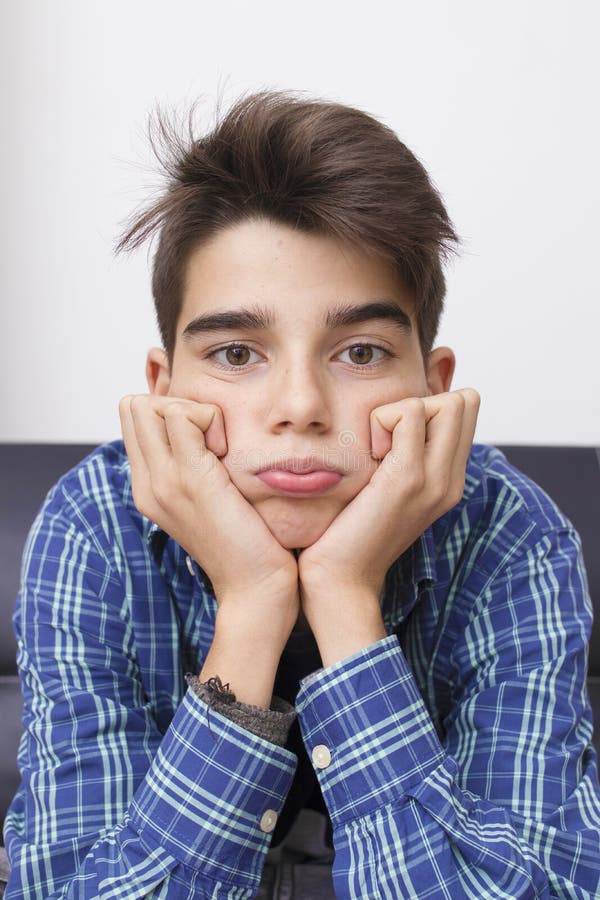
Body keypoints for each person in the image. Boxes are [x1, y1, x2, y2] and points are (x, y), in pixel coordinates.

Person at [3, 88, 600, 900]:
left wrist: (344, 597)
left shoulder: (512, 532)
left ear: (432, 388)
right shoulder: (93, 527)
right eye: (236, 354)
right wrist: (252, 605)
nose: (300, 406)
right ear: (163, 388)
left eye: (360, 352)